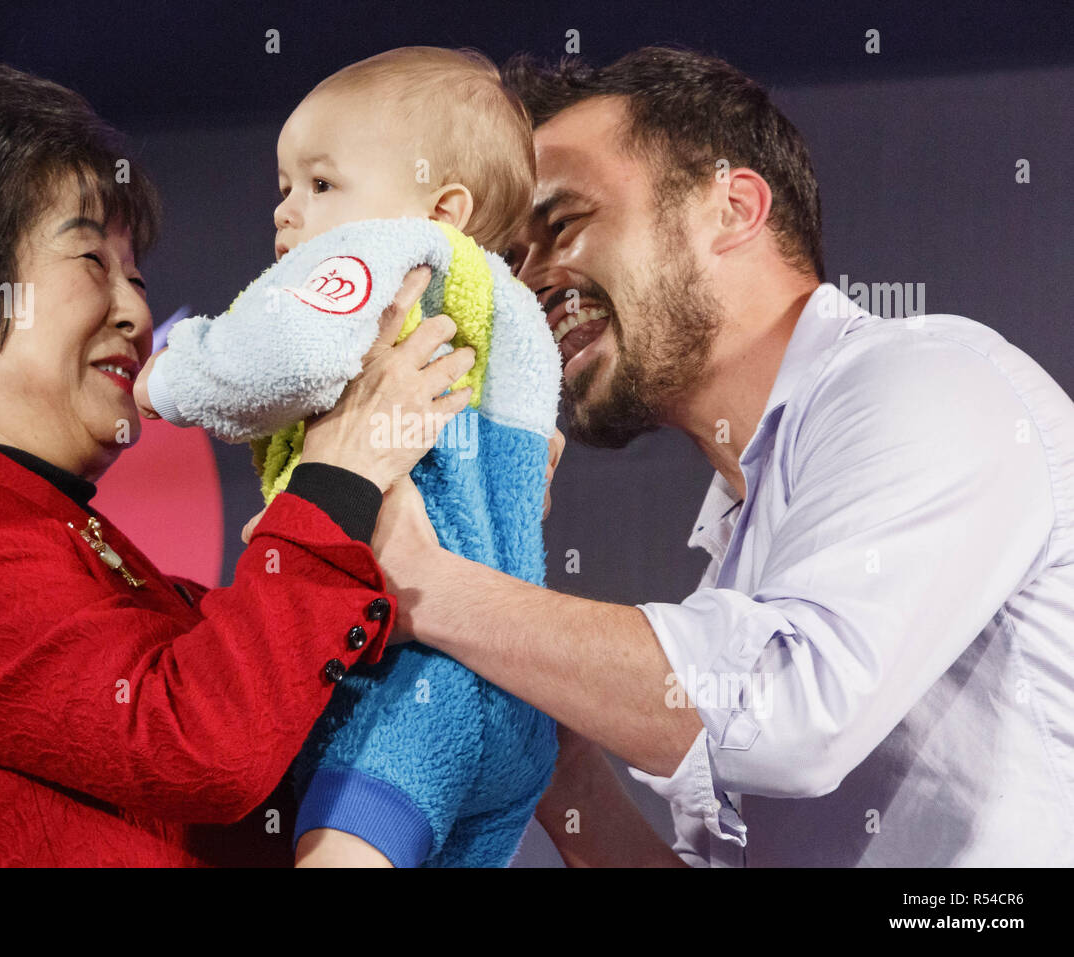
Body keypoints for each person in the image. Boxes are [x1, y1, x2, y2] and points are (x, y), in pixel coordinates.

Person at [369, 46, 1074, 866]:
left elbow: (797, 714)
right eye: (515, 260)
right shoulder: (738, 563)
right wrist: (564, 769)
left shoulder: (932, 377)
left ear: (734, 207)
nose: (530, 286)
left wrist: (428, 585)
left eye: (561, 225)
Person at [0, 62, 467, 866]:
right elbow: (204, 743)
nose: (137, 312)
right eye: (92, 261)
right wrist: (334, 475)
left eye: (137, 275)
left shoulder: (71, 548)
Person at [135, 47, 563, 868]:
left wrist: (173, 375)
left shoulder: (386, 251)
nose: (287, 212)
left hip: (406, 691)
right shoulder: (519, 319)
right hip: (519, 701)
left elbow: (286, 354)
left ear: (442, 208)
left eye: (322, 183)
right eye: (285, 186)